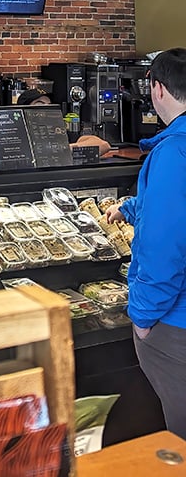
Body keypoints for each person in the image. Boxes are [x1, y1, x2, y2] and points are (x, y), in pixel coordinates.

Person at [105, 48, 186, 439]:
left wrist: (141, 317)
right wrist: (133, 207)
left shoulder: (173, 152)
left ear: (156, 89)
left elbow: (164, 249)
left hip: (176, 322)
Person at [16, 87, 112, 155]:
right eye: (39, 104)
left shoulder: (59, 133)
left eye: (49, 105)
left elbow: (104, 145)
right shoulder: (17, 135)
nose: (46, 109)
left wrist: (64, 149)